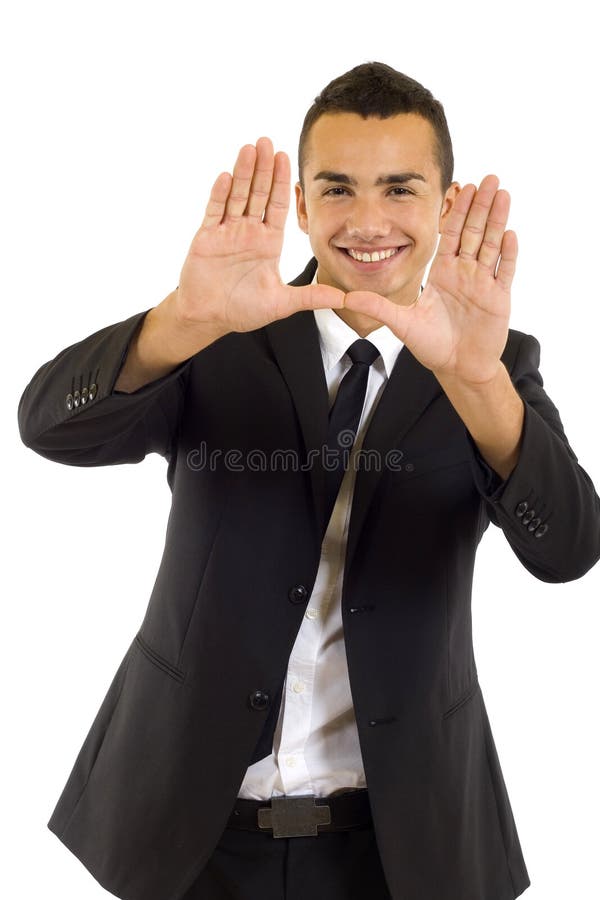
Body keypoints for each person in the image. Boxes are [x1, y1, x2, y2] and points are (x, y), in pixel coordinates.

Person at [18, 62, 600, 900]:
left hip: (399, 846)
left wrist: (477, 383)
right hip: (191, 831)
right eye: (337, 189)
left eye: (399, 189)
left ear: (445, 205)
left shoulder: (494, 367)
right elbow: (47, 426)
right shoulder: (216, 330)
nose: (368, 222)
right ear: (299, 204)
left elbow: (570, 549)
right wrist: (182, 318)